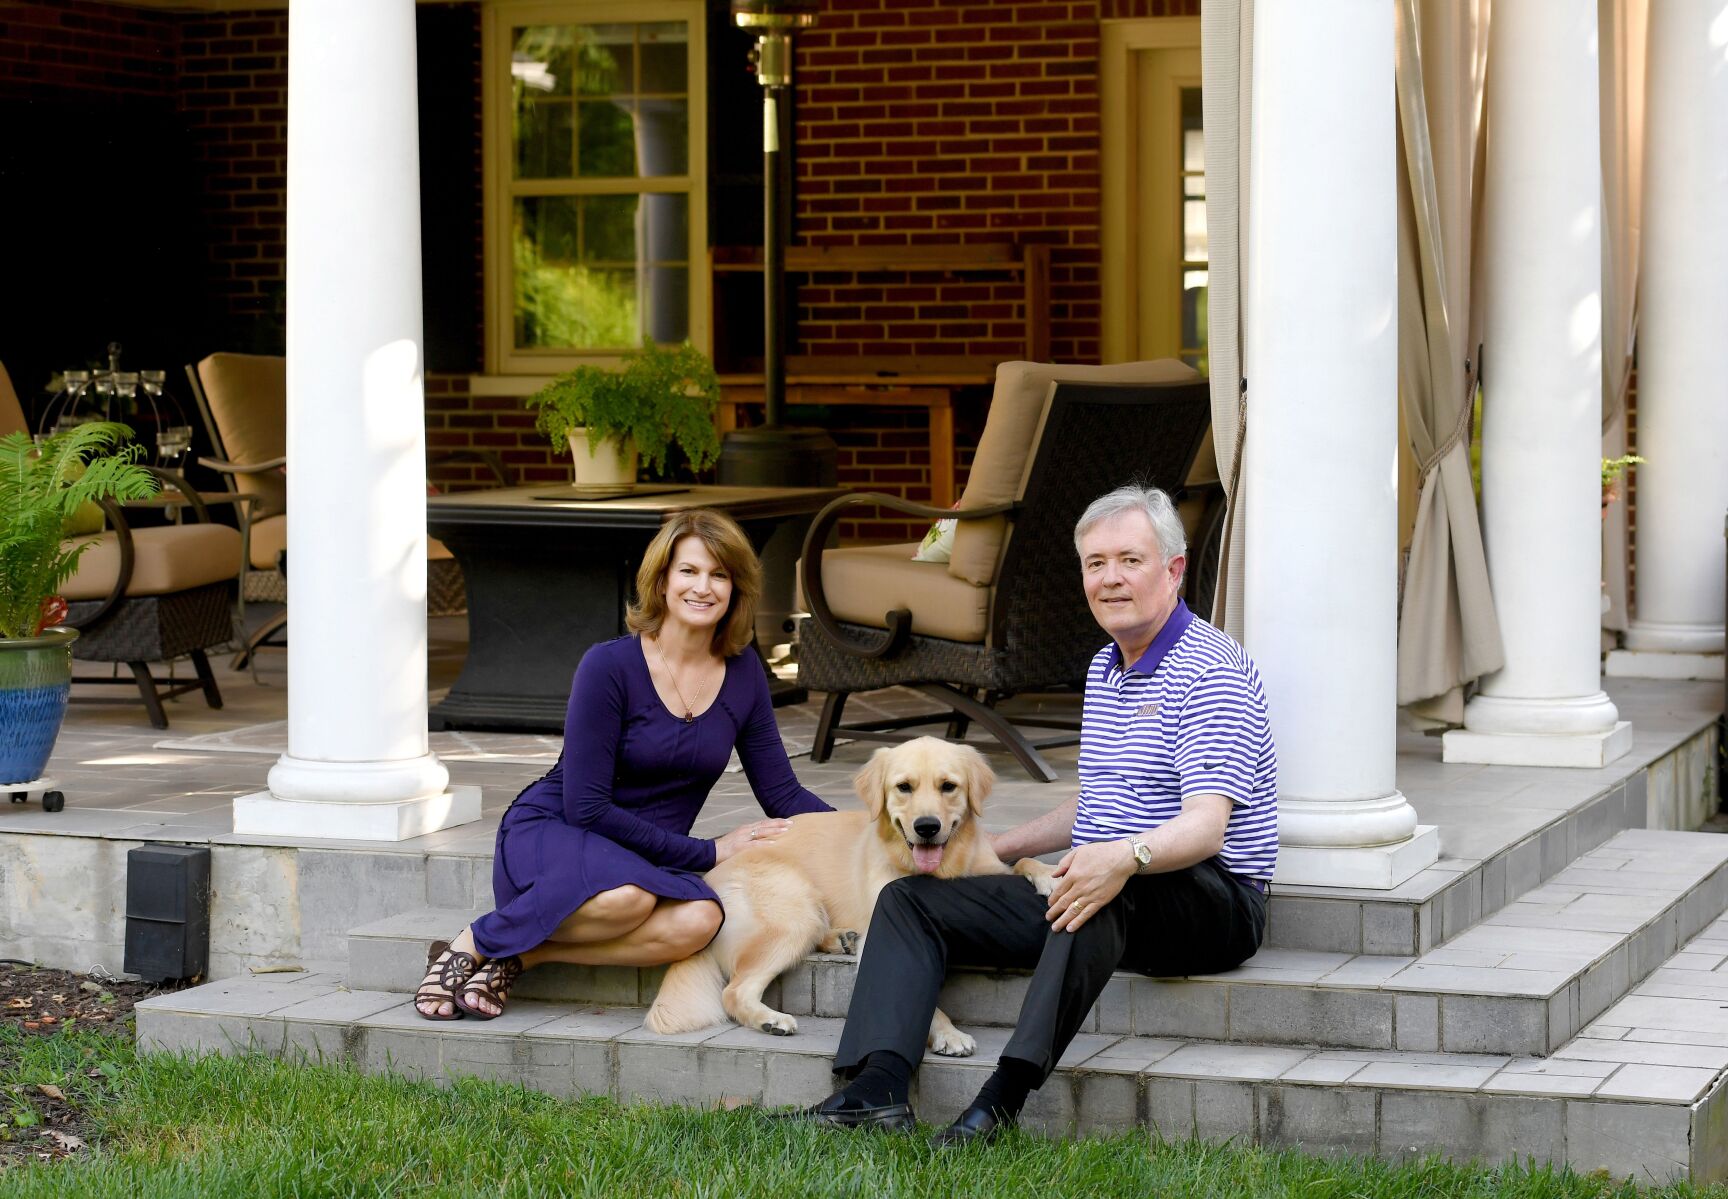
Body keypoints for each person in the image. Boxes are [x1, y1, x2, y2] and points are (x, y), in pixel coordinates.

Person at [782, 484, 1277, 1144]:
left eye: (1130, 559)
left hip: (1214, 902)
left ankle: (998, 1101)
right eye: (1095, 563)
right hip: (1105, 882)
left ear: (1174, 568)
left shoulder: (1210, 668)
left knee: (1094, 884)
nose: (1110, 578)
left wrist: (1121, 856)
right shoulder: (1107, 667)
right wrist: (987, 851)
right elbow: (1095, 807)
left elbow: (1206, 825)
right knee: (909, 896)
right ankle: (877, 1087)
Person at [416, 508, 833, 1021]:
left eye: (719, 575)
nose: (703, 588)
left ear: (736, 589)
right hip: (558, 831)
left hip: (641, 858)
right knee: (630, 900)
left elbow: (783, 795)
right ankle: (478, 936)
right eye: (689, 571)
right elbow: (586, 806)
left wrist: (869, 831)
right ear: (661, 581)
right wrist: (709, 851)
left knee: (700, 920)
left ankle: (520, 954)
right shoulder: (609, 665)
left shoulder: (744, 672)